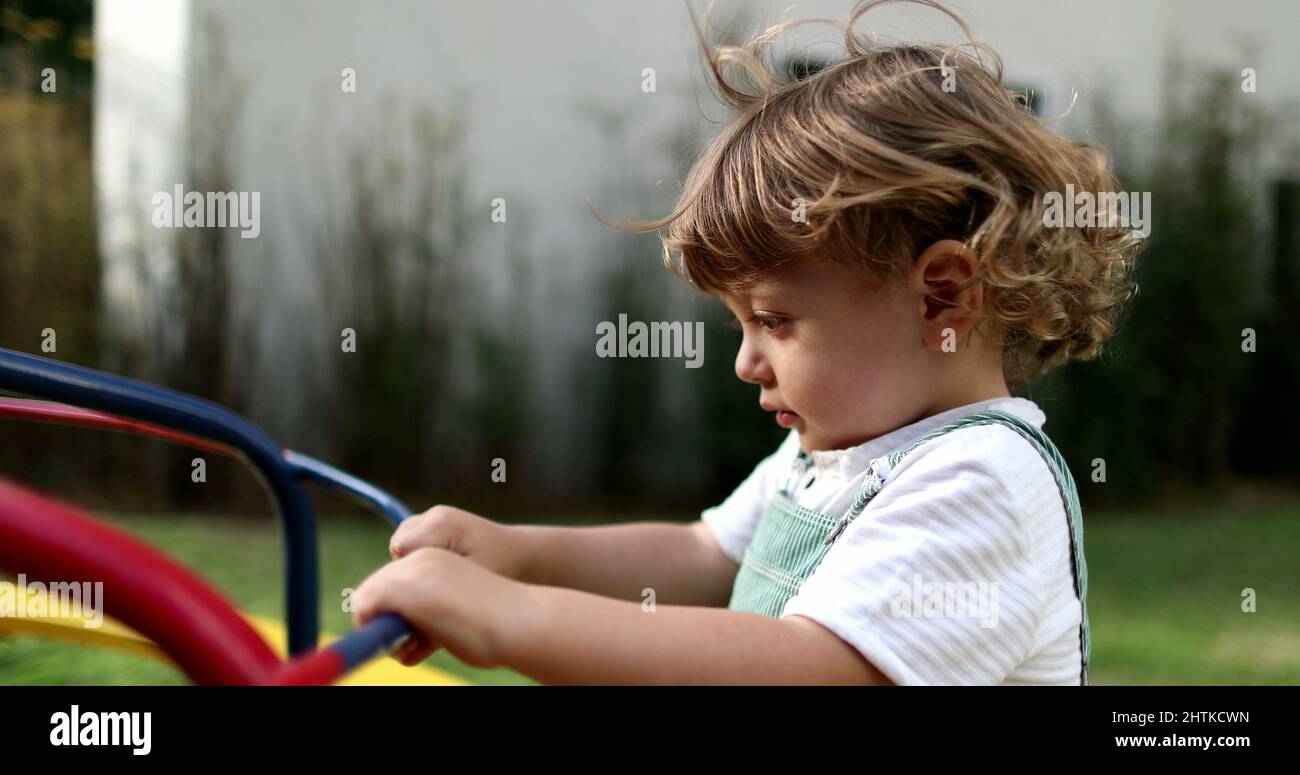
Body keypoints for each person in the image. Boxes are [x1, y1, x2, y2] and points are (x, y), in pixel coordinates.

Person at [351, 0, 1141, 685]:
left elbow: (815, 668)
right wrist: (517, 552)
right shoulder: (834, 455)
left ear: (942, 296)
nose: (745, 361)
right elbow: (703, 558)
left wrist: (515, 618)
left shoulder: (983, 480)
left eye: (774, 320)